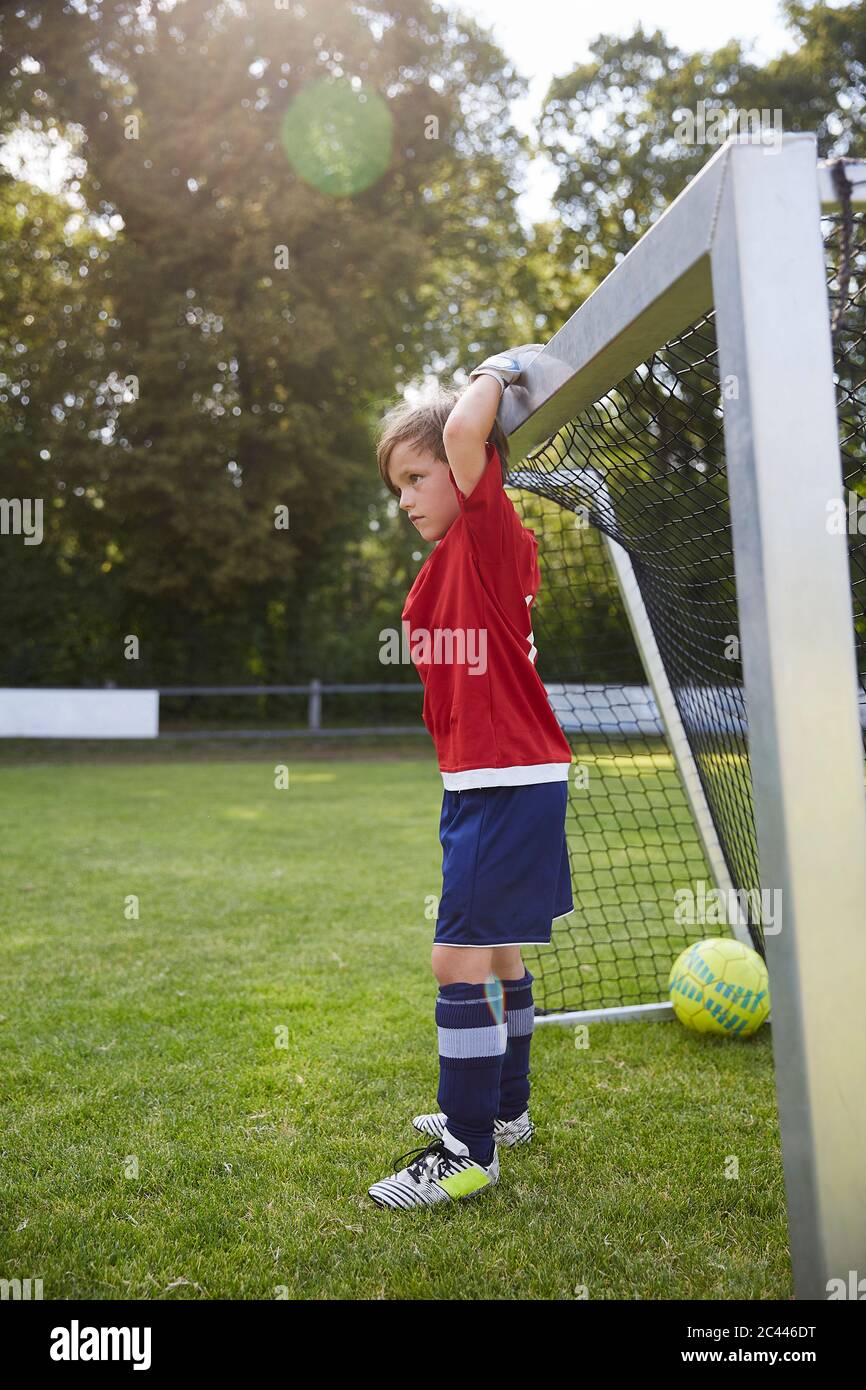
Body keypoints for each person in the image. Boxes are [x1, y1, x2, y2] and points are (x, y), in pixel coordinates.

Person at [368, 347, 574, 1209]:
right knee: (494, 951)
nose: (407, 498)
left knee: (453, 960)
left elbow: (462, 426)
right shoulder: (453, 557)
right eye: (397, 487)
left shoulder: (490, 536)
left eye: (417, 478)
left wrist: (503, 366)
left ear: (467, 473)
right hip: (484, 780)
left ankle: (467, 1150)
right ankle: (508, 1112)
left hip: (506, 777)